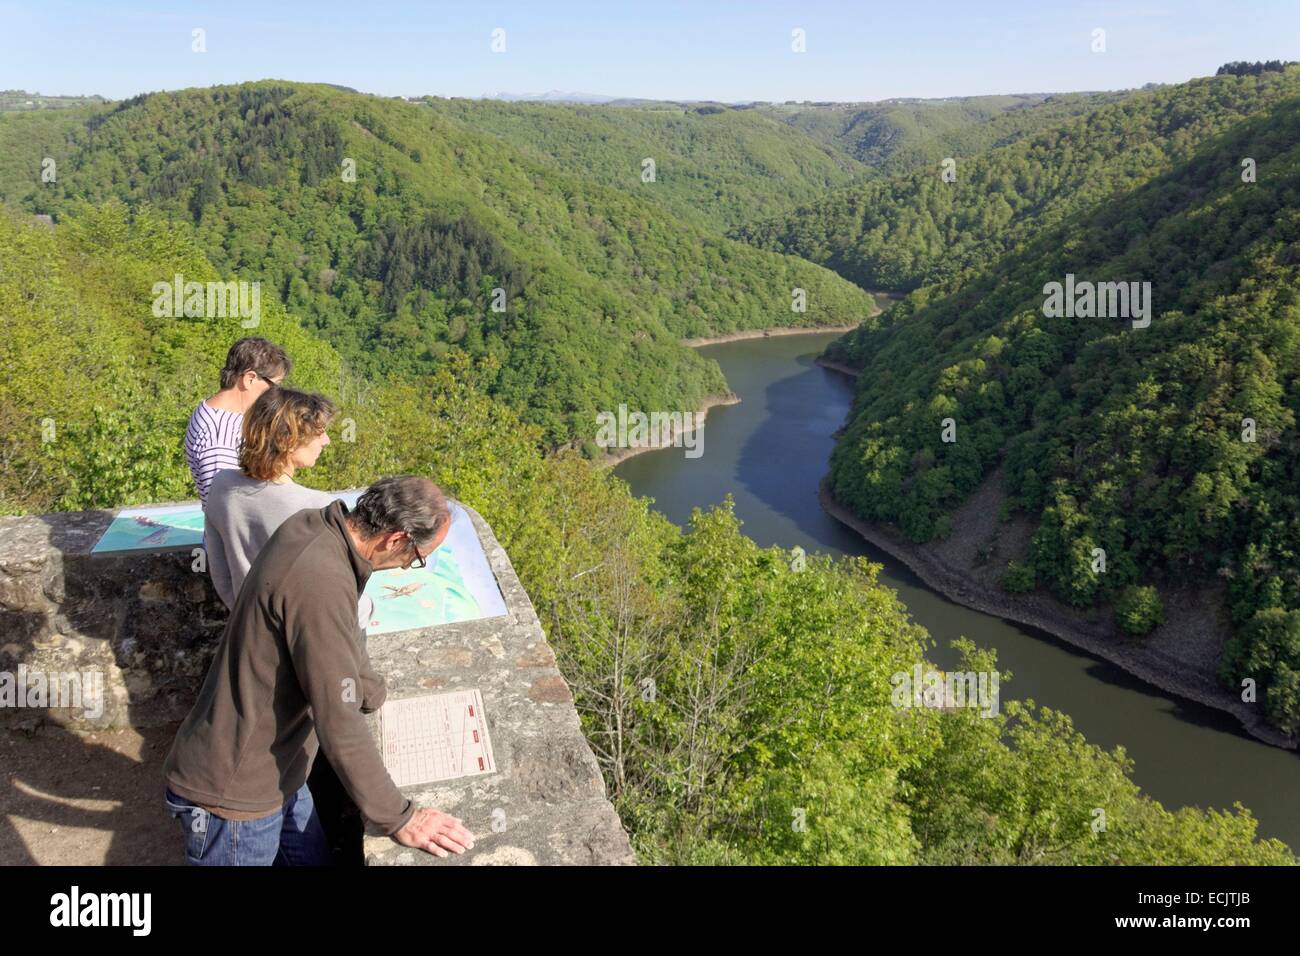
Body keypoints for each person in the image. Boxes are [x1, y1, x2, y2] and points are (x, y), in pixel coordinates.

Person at [163, 475, 475, 865]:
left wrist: (369, 686)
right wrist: (401, 817)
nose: (409, 566)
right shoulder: (321, 582)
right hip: (235, 794)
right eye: (418, 558)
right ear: (395, 540)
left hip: (283, 770)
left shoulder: (313, 528)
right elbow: (339, 721)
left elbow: (343, 630)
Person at [185, 337, 291, 506]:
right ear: (249, 379)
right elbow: (227, 507)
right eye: (275, 385)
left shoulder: (214, 411)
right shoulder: (219, 435)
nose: (276, 393)